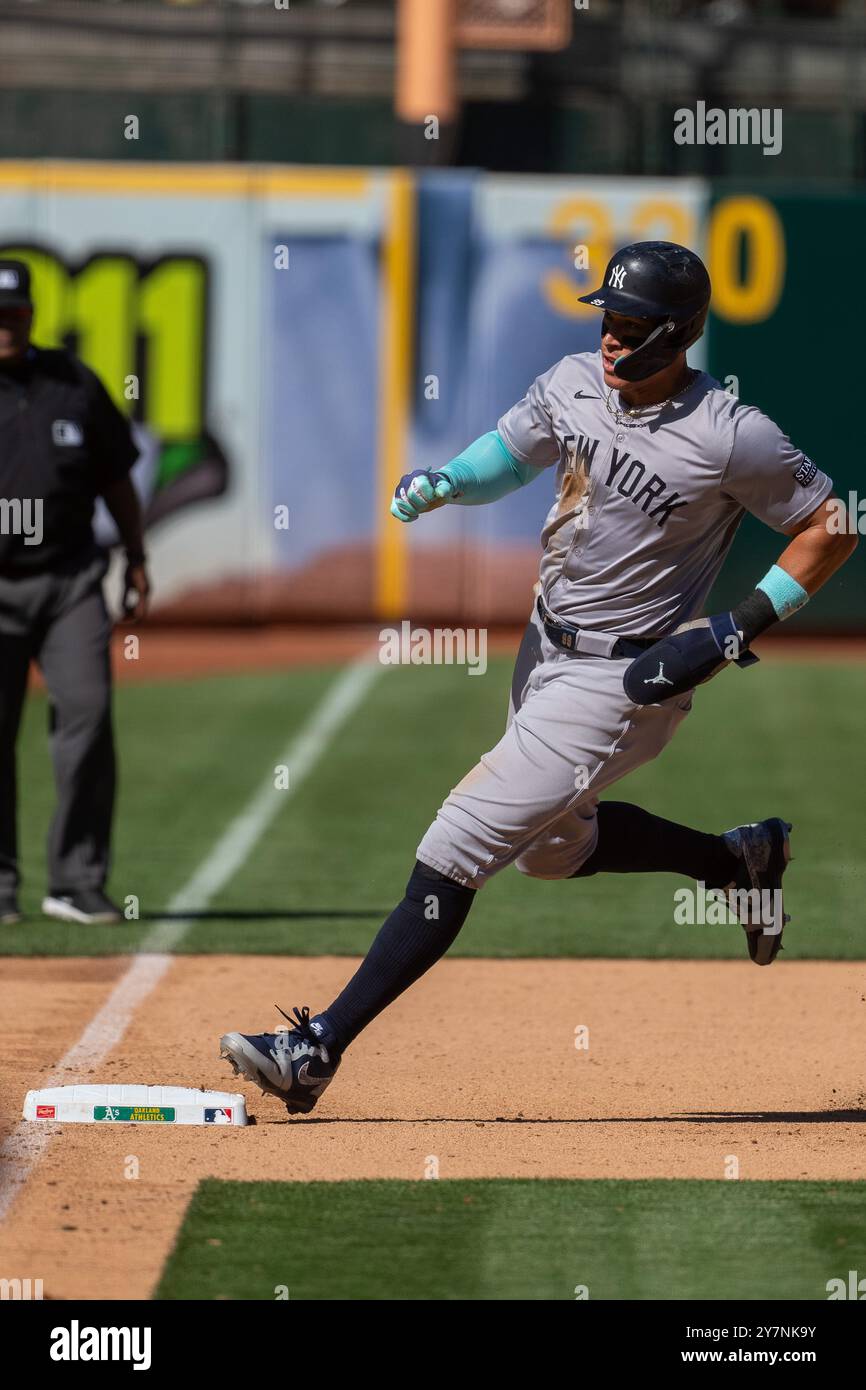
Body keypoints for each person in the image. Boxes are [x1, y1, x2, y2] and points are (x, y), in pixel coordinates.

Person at [219, 240, 857, 1114]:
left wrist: (737, 628)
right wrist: (449, 480)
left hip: (624, 679)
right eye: (606, 315)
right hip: (543, 647)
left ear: (676, 335)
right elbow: (511, 454)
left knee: (457, 845)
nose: (609, 334)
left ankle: (317, 1047)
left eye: (629, 323)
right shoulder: (572, 381)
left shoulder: (729, 432)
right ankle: (738, 860)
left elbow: (833, 522)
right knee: (556, 854)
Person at [0, 259, 150, 925]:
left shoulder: (72, 383)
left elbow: (116, 477)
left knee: (87, 718)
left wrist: (137, 555)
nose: (4, 325)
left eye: (13, 313)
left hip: (70, 580)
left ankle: (75, 881)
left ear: (31, 315)